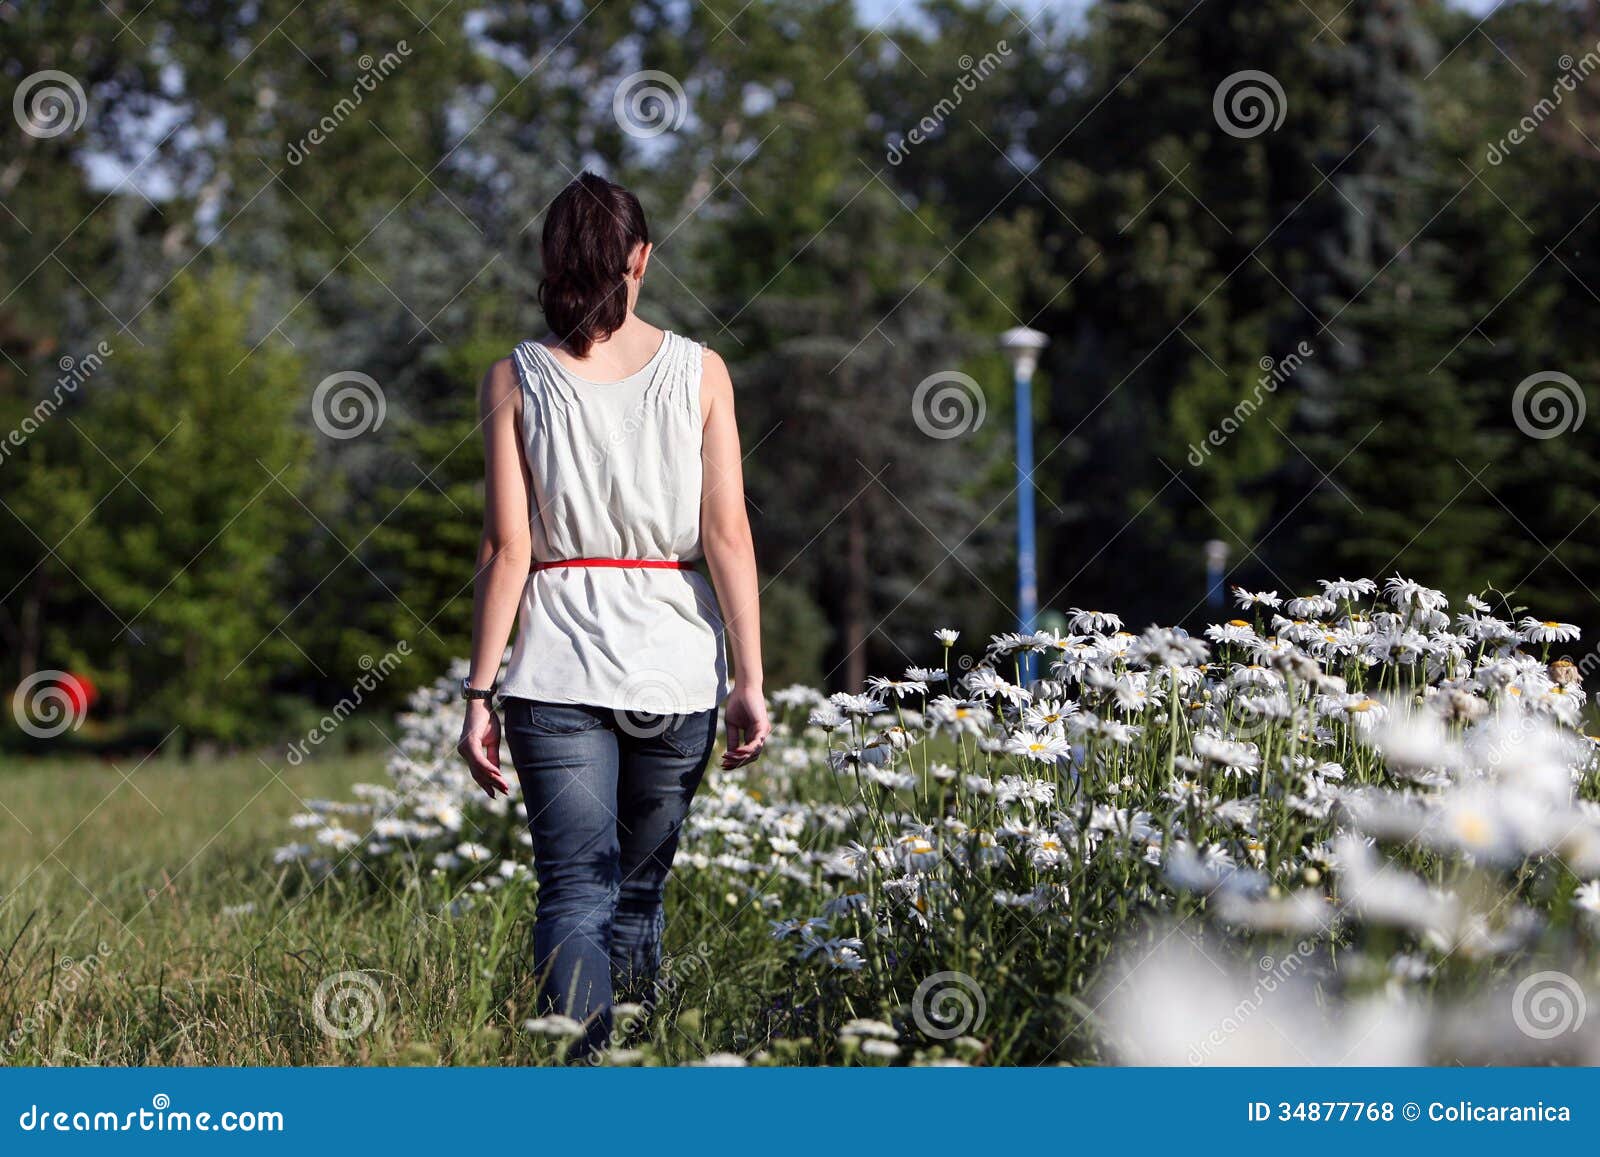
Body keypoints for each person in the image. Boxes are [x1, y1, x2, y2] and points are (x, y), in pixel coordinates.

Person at [455, 171, 771, 1058]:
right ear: (641, 257)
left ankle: (577, 1080)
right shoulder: (703, 372)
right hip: (674, 665)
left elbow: (507, 550)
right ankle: (635, 1075)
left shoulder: (514, 378)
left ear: (554, 261)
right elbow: (729, 536)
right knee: (637, 894)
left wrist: (479, 692)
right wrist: (749, 678)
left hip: (552, 665)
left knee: (572, 892)